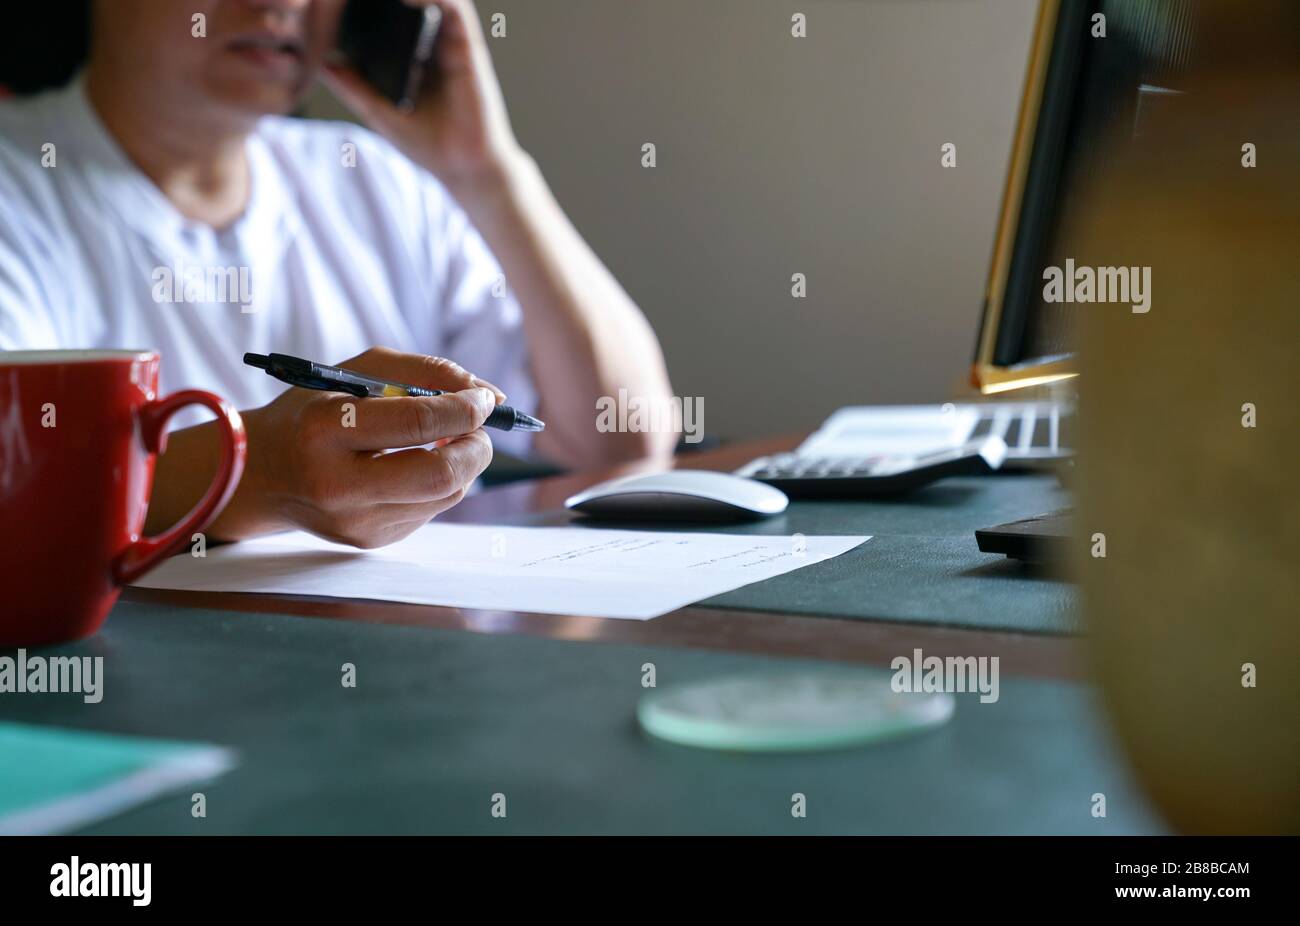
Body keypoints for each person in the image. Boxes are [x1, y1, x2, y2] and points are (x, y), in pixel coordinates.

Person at [0, 0, 675, 548]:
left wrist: (490, 175)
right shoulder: (20, 186)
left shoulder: (373, 177)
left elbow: (622, 433)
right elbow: (18, 487)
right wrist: (255, 473)